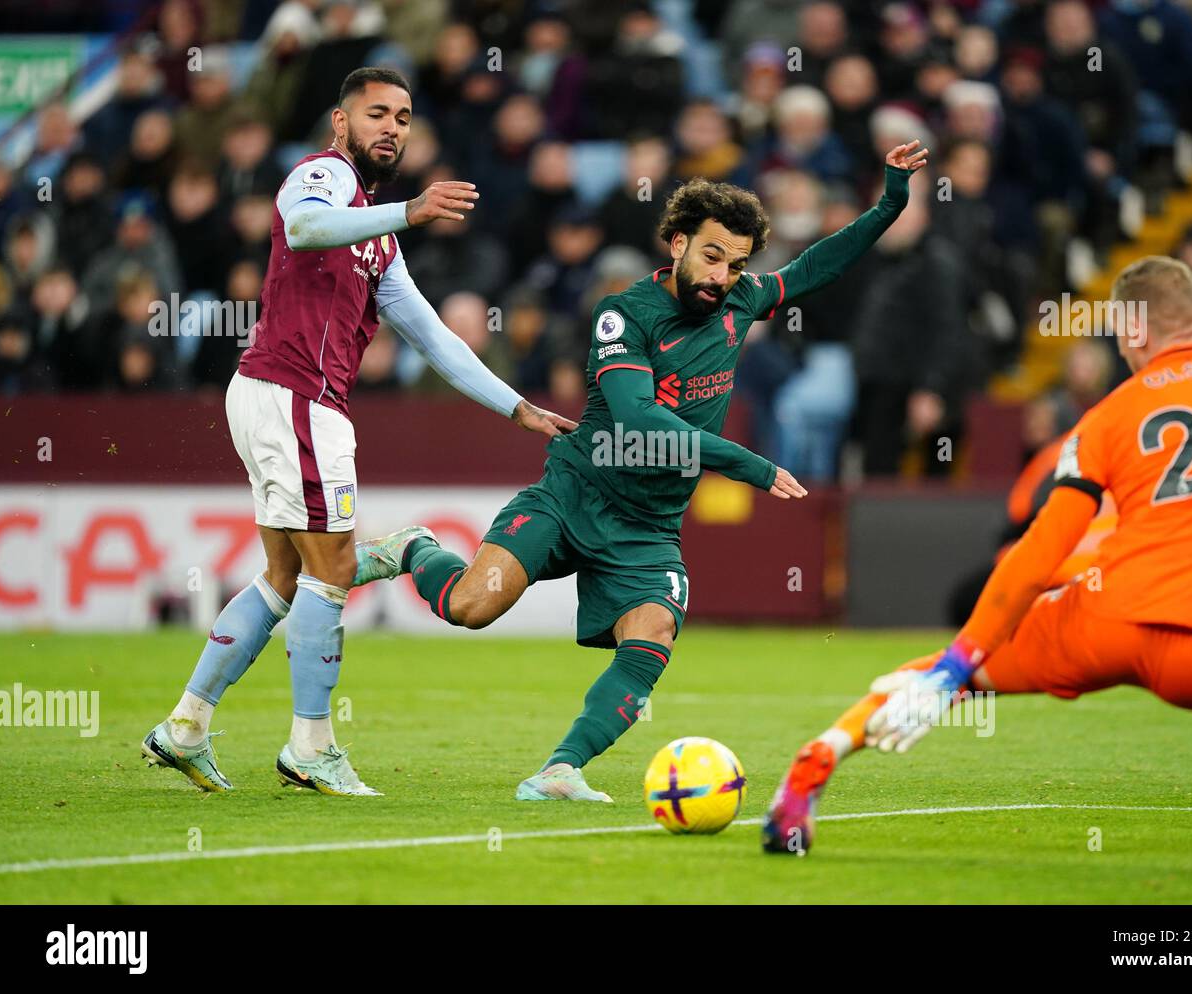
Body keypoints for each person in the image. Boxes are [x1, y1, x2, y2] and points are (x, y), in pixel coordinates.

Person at [367, 139, 929, 802]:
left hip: (649, 524)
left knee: (654, 630)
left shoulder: (740, 300)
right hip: (575, 492)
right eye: (712, 256)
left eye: (736, 264)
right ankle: (416, 549)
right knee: (472, 606)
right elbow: (638, 421)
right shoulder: (623, 314)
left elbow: (819, 264)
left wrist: (890, 198)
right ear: (677, 242)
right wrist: (747, 463)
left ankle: (561, 769)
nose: (722, 277)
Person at [764, 256, 1192, 857]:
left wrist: (959, 662)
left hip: (1108, 622)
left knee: (950, 674)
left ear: (1136, 331)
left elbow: (1044, 547)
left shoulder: (1106, 416)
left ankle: (817, 763)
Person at [141, 67, 573, 798]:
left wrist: (516, 407)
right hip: (295, 395)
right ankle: (312, 746)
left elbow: (433, 337)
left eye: (403, 117)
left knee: (286, 575)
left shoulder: (374, 235)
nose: (392, 128)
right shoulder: (319, 176)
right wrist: (410, 211)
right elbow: (306, 227)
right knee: (332, 569)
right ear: (341, 123)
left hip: (278, 397)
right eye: (377, 113)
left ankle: (184, 728)